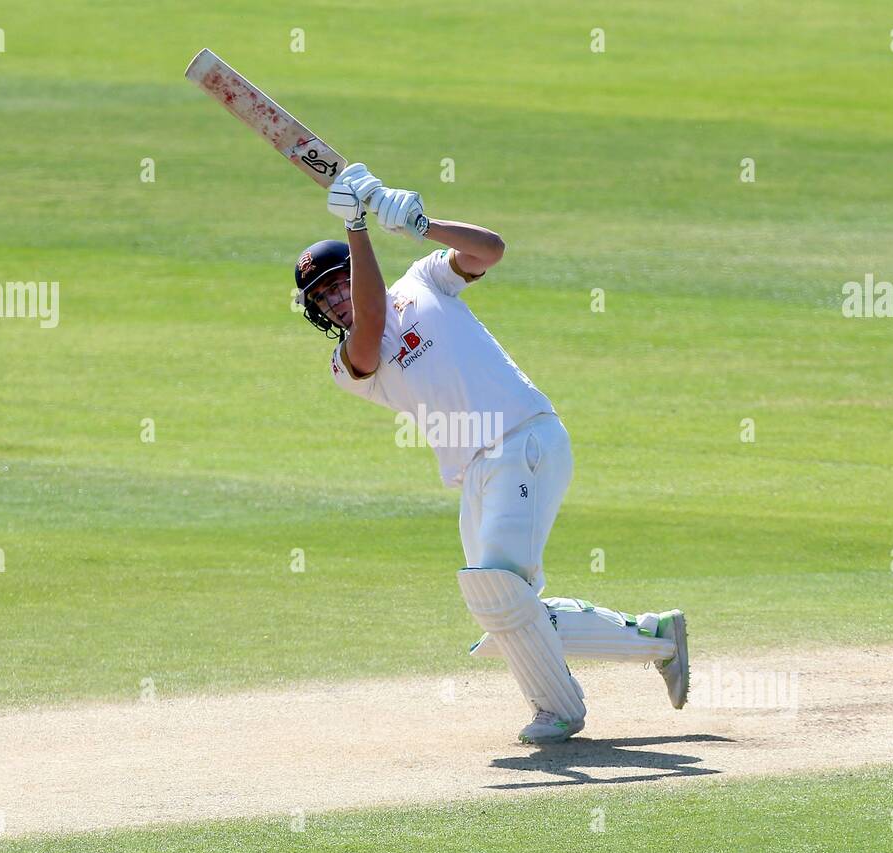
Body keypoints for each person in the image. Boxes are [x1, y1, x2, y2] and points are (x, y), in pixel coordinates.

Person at [293, 163, 689, 744]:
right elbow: (373, 324)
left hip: (523, 439)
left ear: (357, 272)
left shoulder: (423, 281)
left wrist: (420, 224)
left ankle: (560, 710)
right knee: (500, 608)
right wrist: (357, 225)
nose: (334, 300)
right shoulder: (347, 366)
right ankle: (656, 637)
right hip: (476, 470)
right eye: (322, 297)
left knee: (500, 590)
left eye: (337, 283)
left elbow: (490, 250)